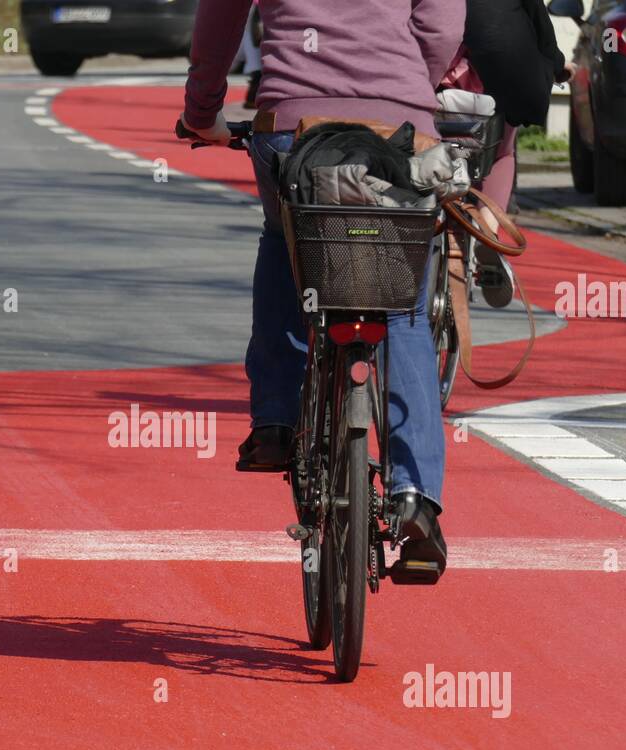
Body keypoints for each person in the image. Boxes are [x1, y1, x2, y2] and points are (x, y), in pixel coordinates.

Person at [180, 0, 465, 576]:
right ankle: (414, 498)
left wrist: (202, 111)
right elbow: (441, 24)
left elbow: (220, 20)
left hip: (293, 125)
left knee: (285, 244)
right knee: (405, 310)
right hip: (399, 130)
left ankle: (277, 420)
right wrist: (404, 88)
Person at [447, 0, 571, 307]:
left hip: (438, 76)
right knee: (501, 151)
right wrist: (557, 65)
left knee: (426, 143)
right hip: (492, 81)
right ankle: (488, 230)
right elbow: (539, 24)